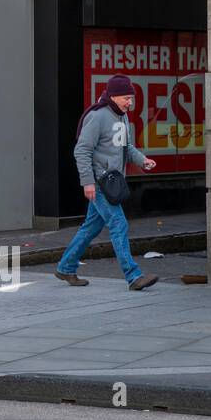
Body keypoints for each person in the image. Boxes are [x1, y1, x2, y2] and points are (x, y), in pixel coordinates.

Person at [55, 74, 159, 291]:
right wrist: (88, 183)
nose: (130, 102)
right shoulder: (98, 117)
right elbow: (82, 150)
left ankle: (66, 267)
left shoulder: (122, 116)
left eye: (131, 98)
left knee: (90, 227)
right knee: (118, 224)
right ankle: (133, 276)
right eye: (126, 98)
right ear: (113, 96)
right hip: (101, 183)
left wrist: (143, 161)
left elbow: (126, 148)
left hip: (111, 182)